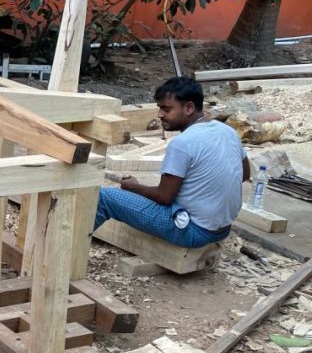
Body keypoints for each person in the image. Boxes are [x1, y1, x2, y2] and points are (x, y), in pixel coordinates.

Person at [94, 76, 250, 248]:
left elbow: (164, 197)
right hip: (222, 229)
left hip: (194, 231)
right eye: (160, 108)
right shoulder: (227, 131)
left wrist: (134, 187)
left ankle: (70, 250)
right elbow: (245, 175)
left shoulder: (182, 143)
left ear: (189, 107)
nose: (160, 114)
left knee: (104, 196)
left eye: (166, 109)